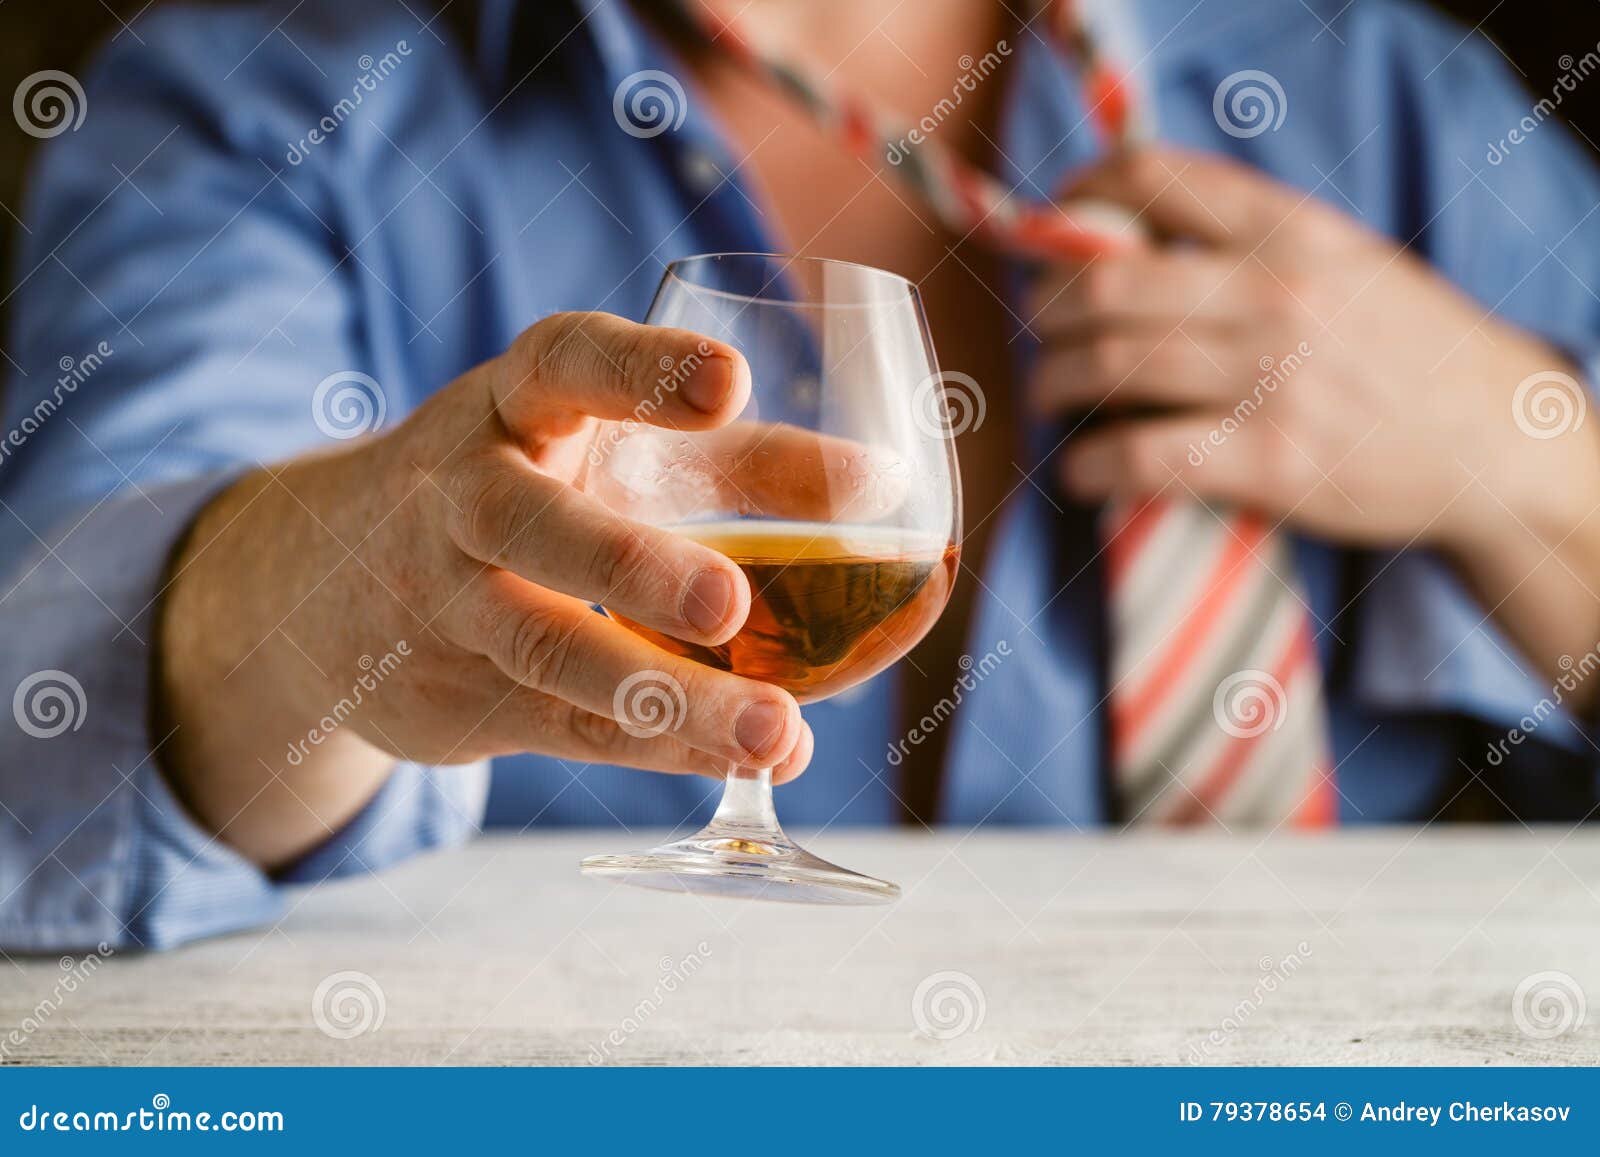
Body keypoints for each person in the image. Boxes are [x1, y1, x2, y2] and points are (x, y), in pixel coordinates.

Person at [3, 0, 1599, 952]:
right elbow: (46, 715)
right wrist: (314, 607)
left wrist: (1520, 447)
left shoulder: (1388, 102)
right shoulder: (260, 102)